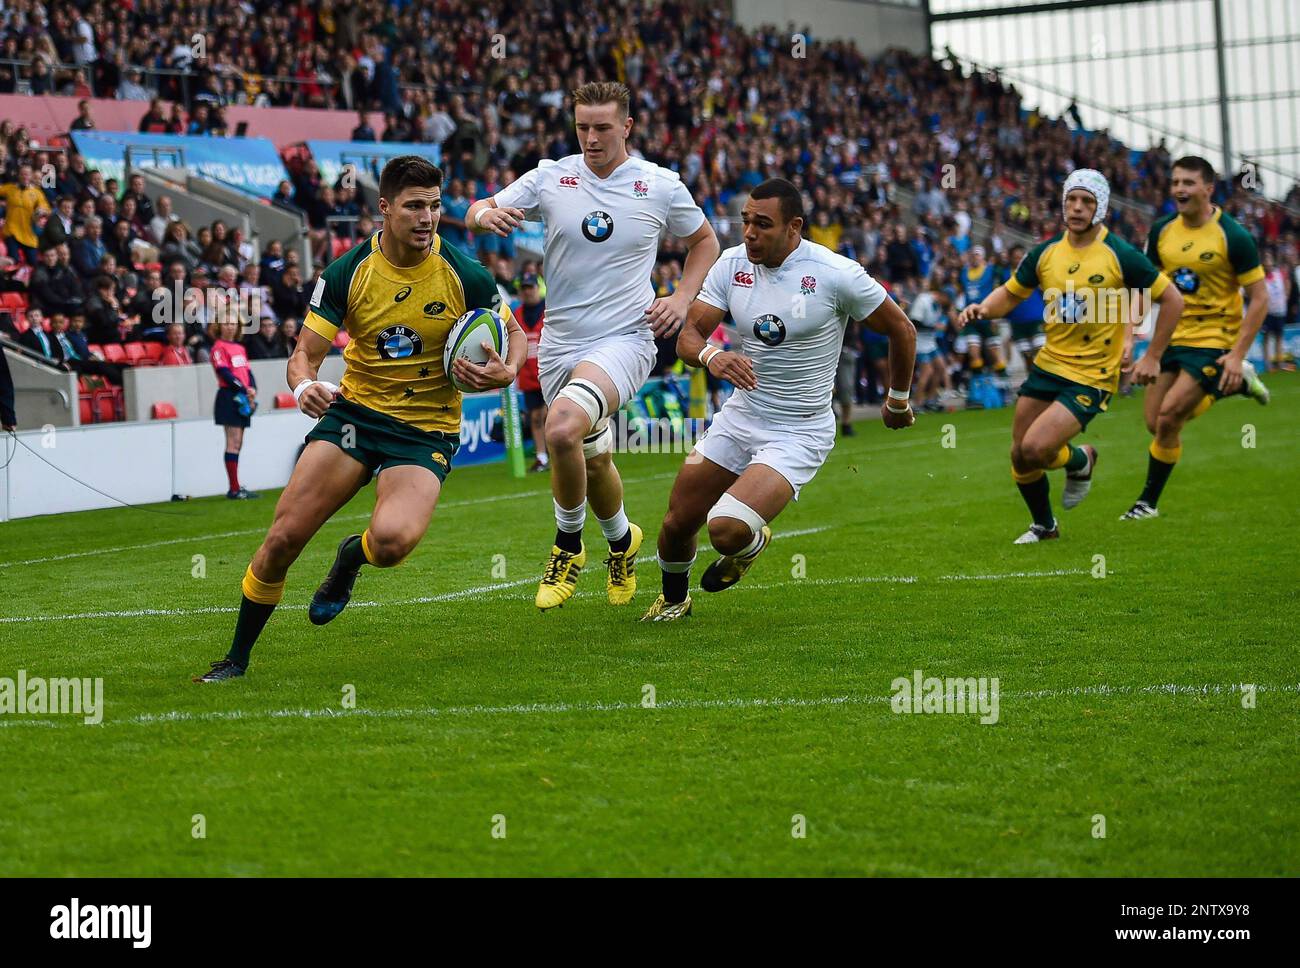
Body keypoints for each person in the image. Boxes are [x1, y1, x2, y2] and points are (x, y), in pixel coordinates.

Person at [193, 155, 523, 683]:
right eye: (415, 206)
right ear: (385, 208)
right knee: (283, 540)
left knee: (392, 543)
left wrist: (507, 371)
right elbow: (303, 355)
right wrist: (303, 386)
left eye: (435, 206)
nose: (428, 217)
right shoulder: (347, 273)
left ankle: (350, 559)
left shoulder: (466, 272)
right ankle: (235, 659)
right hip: (355, 419)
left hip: (424, 431)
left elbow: (514, 333)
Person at [466, 81, 720, 611]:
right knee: (594, 458)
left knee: (559, 428)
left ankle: (567, 546)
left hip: (627, 337)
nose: (591, 138)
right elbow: (478, 207)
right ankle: (623, 541)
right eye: (582, 127)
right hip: (560, 343)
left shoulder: (659, 185)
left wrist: (681, 297)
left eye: (602, 127)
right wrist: (482, 215)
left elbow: (705, 242)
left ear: (627, 126)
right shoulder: (550, 177)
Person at [642, 179, 916, 621]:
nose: (749, 232)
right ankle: (674, 602)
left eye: (762, 224)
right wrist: (714, 356)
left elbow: (902, 329)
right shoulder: (732, 264)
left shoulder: (836, 274)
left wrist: (898, 400)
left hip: (799, 429)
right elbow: (688, 336)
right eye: (746, 221)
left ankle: (748, 545)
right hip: (741, 415)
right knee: (677, 523)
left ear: (794, 227)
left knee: (726, 530)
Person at [960, 169, 1184, 544]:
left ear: (1101, 208)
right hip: (1049, 365)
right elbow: (1012, 293)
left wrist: (1153, 357)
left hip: (1093, 374)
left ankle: (1080, 460)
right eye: (1071, 200)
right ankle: (1045, 526)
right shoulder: (1046, 253)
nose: (1077, 207)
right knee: (1020, 455)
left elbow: (1172, 299)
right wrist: (982, 308)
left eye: (1087, 201)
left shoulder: (1121, 254)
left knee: (1035, 447)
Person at [1121, 156, 1271, 521]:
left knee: (1171, 418)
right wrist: (1129, 336)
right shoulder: (1161, 231)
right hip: (1172, 336)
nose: (1179, 190)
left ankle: (1147, 504)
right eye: (1175, 182)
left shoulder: (1232, 235)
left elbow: (1260, 297)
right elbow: (1144, 285)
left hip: (1215, 338)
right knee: (1155, 423)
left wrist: (1236, 354)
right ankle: (1231, 385)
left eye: (1188, 183)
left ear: (1208, 188)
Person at [210, 307, 260, 501]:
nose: (230, 327)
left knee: (238, 443)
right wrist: (243, 388)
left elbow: (248, 372)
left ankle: (236, 486)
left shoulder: (240, 348)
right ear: (219, 326)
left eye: (233, 323)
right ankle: (233, 488)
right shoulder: (218, 347)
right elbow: (224, 372)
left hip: (242, 396)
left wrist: (252, 388)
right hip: (229, 396)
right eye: (226, 323)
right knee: (233, 442)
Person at [512, 272, 548, 472]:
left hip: (549, 371)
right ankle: (541, 456)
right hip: (528, 376)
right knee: (535, 418)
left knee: (550, 415)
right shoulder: (516, 315)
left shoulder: (549, 310)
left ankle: (557, 453)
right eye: (524, 288)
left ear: (538, 288)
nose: (528, 291)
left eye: (530, 287)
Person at [1260, 252, 1290, 372]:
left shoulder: (1278, 274)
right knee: (1266, 338)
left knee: (1279, 337)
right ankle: (1268, 365)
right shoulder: (1261, 277)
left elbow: (1287, 284)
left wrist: (1285, 298)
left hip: (1280, 311)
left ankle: (1280, 363)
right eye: (1266, 261)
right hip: (1267, 313)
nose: (1269, 264)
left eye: (1270, 260)